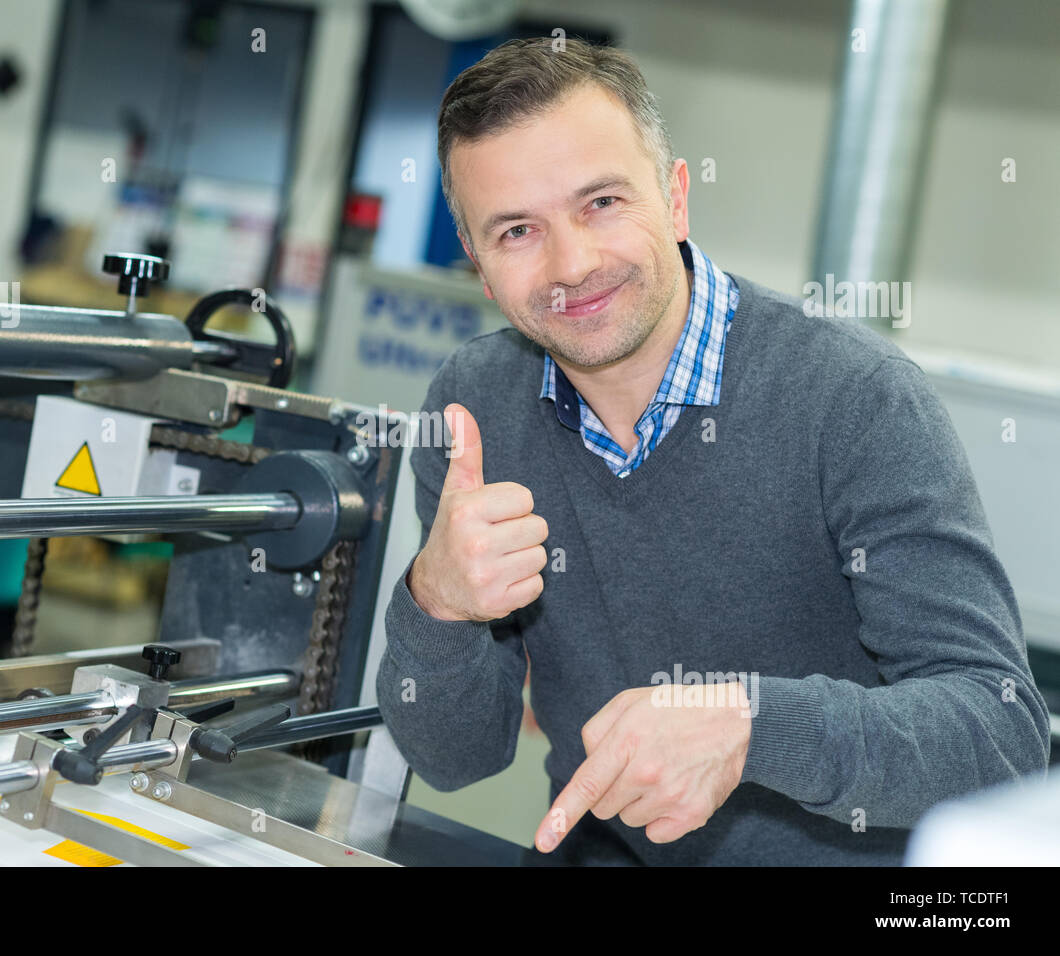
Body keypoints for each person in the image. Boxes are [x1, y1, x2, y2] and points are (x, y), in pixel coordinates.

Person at [374, 37, 1050, 866]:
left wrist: (750, 725)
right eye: (517, 231)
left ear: (676, 197)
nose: (573, 264)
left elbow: (1000, 732)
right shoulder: (475, 405)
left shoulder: (854, 398)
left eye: (602, 203)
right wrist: (434, 602)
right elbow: (455, 760)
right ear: (478, 265)